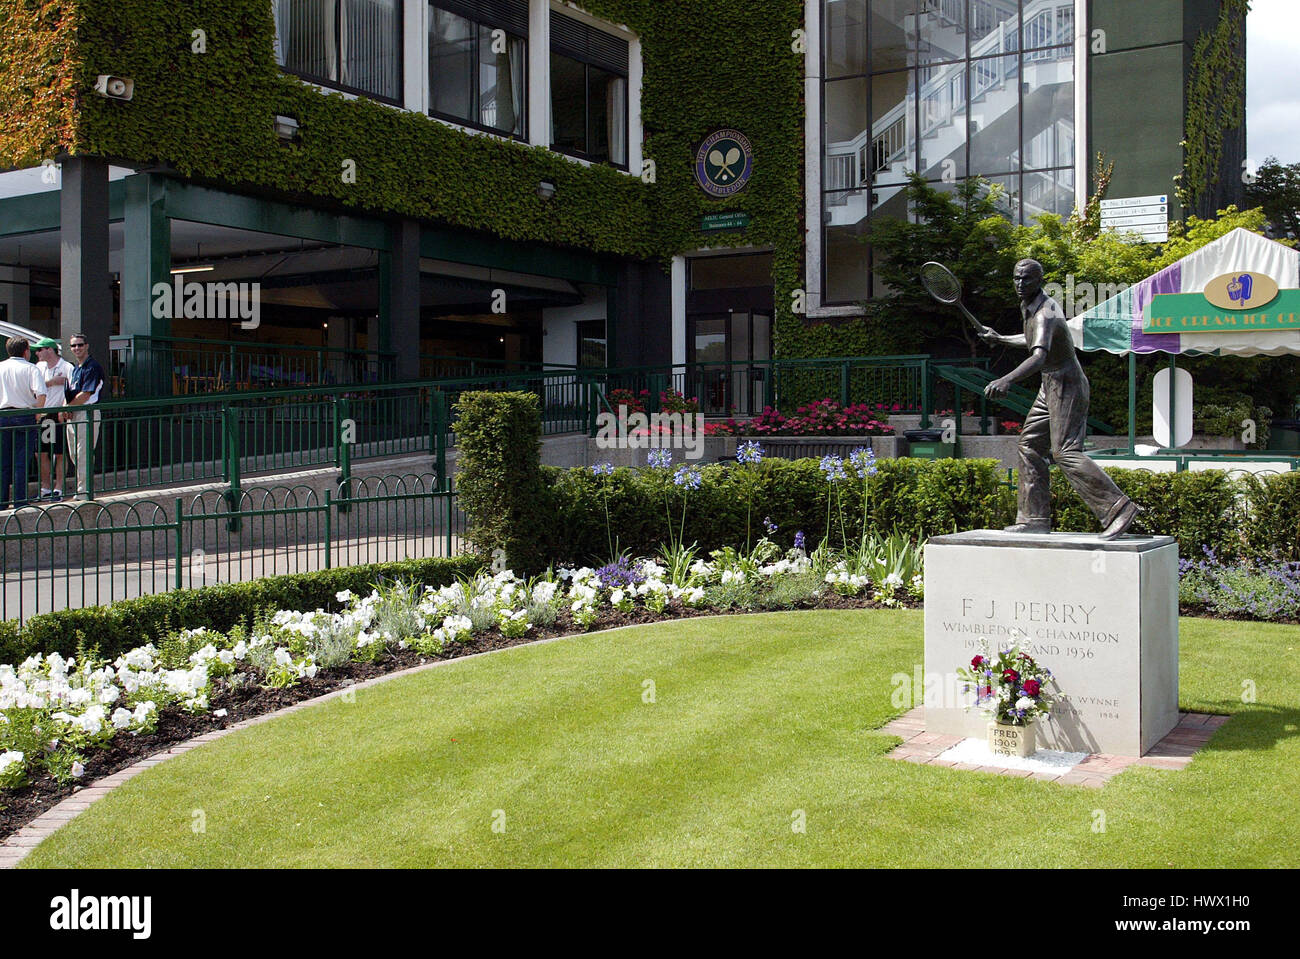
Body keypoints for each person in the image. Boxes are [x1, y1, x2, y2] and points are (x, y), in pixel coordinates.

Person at [981, 259, 1141, 539]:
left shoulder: (1045, 312)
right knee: (1029, 445)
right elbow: (1033, 341)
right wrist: (1002, 339)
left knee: (1065, 451)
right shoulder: (1030, 305)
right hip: (1050, 383)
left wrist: (1006, 379)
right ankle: (1034, 519)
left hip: (1066, 384)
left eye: (1026, 279)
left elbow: (1039, 355)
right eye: (1016, 279)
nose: (1020, 285)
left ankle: (1119, 508)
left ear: (1039, 280)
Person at [0, 336, 47, 510]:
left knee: (2, 462)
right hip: (25, 415)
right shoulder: (31, 369)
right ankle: (19, 500)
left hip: (2, 416)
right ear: (26, 351)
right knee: (21, 461)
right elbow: (41, 394)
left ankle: (2, 501)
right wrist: (38, 413)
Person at [59, 332, 105, 499]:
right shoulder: (76, 368)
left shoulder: (92, 366)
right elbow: (71, 393)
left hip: (88, 413)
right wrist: (66, 407)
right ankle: (84, 488)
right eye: (73, 345)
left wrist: (67, 407)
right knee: (75, 454)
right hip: (74, 414)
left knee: (83, 453)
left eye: (80, 345)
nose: (77, 348)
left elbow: (85, 394)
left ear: (86, 346)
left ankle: (84, 492)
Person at [33, 337, 74, 500]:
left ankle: (59, 487)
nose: (37, 353)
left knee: (60, 452)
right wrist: (51, 382)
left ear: (49, 350)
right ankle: (45, 487)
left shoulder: (66, 367)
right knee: (40, 452)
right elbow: (36, 387)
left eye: (40, 350)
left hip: (58, 414)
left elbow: (71, 389)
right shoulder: (39, 367)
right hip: (42, 414)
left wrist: (64, 408)